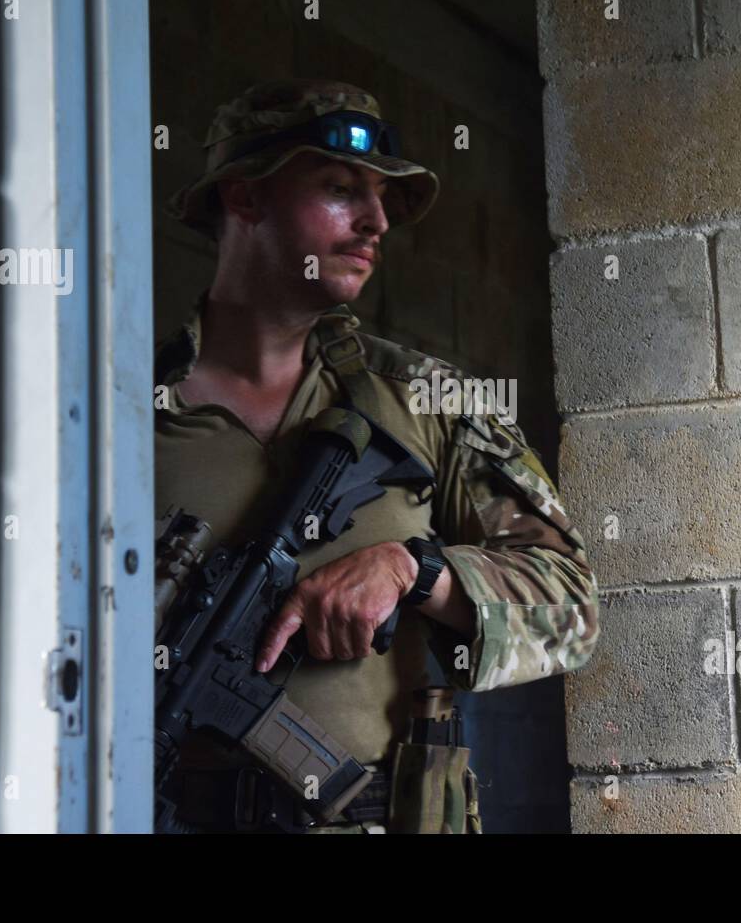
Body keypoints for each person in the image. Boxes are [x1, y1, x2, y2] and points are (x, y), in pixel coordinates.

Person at [155, 79, 599, 833]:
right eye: (339, 188)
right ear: (245, 198)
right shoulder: (111, 418)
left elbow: (571, 603)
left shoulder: (427, 400)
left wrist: (412, 569)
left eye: (383, 198)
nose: (376, 221)